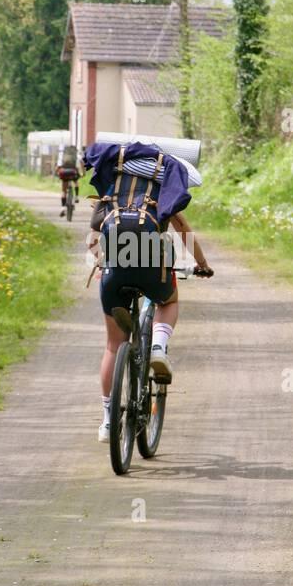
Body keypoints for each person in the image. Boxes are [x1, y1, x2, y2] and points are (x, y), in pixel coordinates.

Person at [83, 141, 213, 441]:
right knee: (168, 299)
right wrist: (203, 264)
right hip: (152, 264)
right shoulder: (163, 188)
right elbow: (183, 231)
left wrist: (102, 260)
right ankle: (158, 347)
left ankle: (106, 421)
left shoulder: (109, 195)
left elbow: (92, 241)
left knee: (113, 346)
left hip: (115, 269)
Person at [55, 142, 80, 216]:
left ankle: (63, 208)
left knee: (63, 191)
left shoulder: (62, 156)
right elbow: (80, 164)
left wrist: (57, 173)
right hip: (73, 172)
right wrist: (82, 174)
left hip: (64, 173)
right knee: (76, 181)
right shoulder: (75, 155)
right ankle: (76, 196)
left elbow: (57, 167)